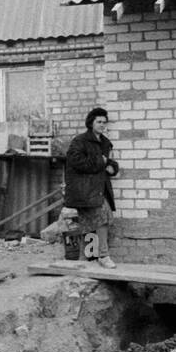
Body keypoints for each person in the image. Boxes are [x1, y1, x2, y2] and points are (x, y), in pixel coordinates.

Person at [65, 107, 120, 269]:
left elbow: (108, 161)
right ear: (91, 123)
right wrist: (101, 163)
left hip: (99, 188)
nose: (102, 125)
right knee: (101, 217)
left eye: (104, 122)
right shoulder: (79, 141)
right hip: (84, 189)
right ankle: (103, 256)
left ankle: (89, 256)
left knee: (100, 219)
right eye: (99, 122)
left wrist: (112, 167)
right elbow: (75, 162)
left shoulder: (104, 142)